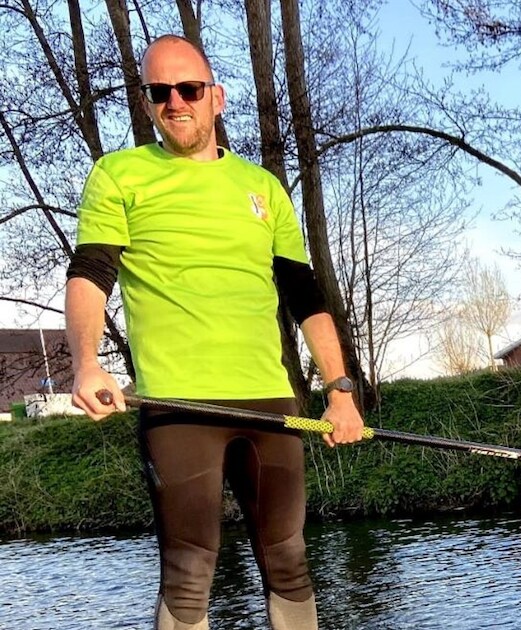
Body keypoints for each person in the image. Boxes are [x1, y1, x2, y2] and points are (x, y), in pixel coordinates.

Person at [64, 34, 364, 630]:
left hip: (270, 402)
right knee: (189, 572)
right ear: (148, 103)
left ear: (217, 98)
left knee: (289, 562)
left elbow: (305, 296)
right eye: (160, 92)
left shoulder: (264, 188)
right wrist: (86, 361)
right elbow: (92, 272)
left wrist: (341, 389)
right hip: (179, 405)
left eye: (189, 89)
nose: (176, 102)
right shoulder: (119, 175)